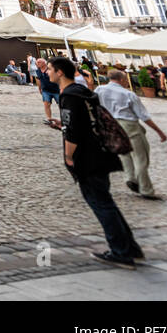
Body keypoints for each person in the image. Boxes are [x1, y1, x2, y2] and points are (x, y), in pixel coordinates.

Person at [46, 56, 142, 268]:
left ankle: (121, 253)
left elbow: (74, 132)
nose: (47, 72)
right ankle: (131, 248)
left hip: (87, 158)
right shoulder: (86, 92)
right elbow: (86, 122)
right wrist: (61, 124)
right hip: (101, 153)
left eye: (50, 69)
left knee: (101, 205)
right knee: (106, 202)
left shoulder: (68, 96)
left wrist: (69, 157)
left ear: (60, 72)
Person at [96, 69, 166, 199]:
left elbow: (95, 106)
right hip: (129, 125)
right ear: (122, 80)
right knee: (141, 157)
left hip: (110, 125)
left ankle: (130, 177)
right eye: (126, 80)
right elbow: (144, 116)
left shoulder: (99, 90)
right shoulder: (128, 94)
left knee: (124, 153)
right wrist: (159, 132)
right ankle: (146, 189)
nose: (127, 82)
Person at [34, 55, 60, 126]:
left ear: (44, 63)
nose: (37, 64)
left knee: (61, 104)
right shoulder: (38, 71)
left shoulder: (50, 69)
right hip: (45, 90)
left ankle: (64, 118)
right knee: (46, 104)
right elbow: (38, 80)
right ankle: (49, 119)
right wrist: (39, 88)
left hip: (56, 90)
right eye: (37, 63)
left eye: (39, 62)